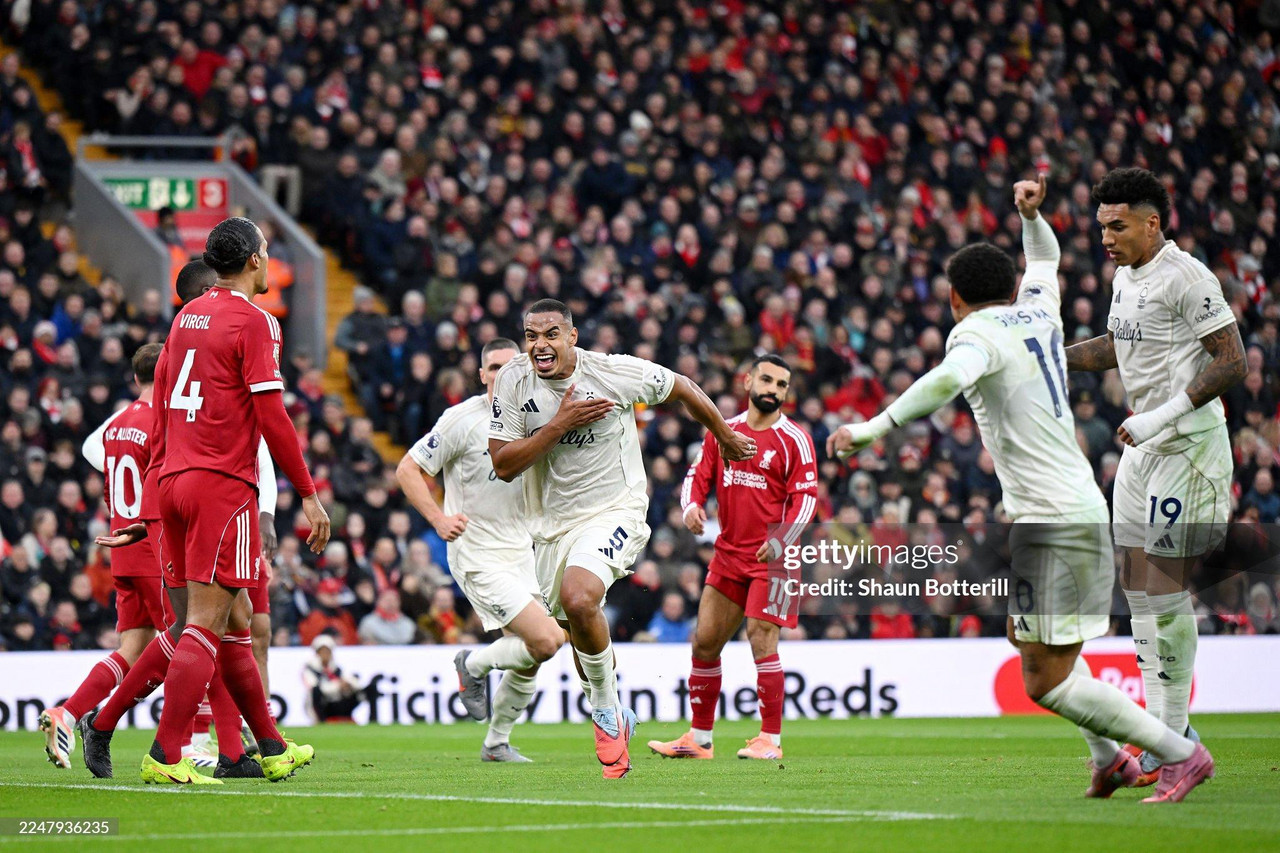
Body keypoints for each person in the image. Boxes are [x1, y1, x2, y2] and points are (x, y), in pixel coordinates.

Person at [830, 177, 1214, 804]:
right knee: (1030, 645)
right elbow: (1046, 258)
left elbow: (949, 379)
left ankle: (1182, 754)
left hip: (1058, 518)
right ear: (1008, 290)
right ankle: (1111, 759)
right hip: (1061, 510)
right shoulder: (1037, 307)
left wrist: (873, 428)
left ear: (953, 298)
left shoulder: (973, 334)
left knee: (1043, 679)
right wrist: (1030, 217)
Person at [93, 219, 330, 785]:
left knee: (232, 620)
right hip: (220, 486)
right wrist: (309, 496)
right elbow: (272, 417)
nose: (269, 262)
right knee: (202, 623)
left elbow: (162, 416)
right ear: (252, 259)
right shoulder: (256, 322)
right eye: (267, 253)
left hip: (172, 483)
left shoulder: (183, 319)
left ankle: (267, 746)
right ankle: (165, 754)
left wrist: (147, 507)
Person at [488, 298, 756, 779]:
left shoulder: (612, 373)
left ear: (572, 336)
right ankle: (610, 705)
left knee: (579, 595)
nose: (539, 345)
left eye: (551, 333)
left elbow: (683, 387)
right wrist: (559, 424)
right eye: (531, 336)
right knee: (574, 618)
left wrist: (724, 436)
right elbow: (504, 465)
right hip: (550, 527)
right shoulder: (512, 381)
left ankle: (606, 716)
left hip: (617, 508)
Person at [1066, 168, 1245, 786]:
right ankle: (1173, 733)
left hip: (1186, 448)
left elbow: (1233, 358)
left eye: (1118, 226)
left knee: (1163, 591)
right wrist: (1043, 359)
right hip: (1142, 449)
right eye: (1102, 226)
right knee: (1140, 592)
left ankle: (1172, 742)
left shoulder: (1187, 275)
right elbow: (1117, 346)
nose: (1107, 238)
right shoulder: (1125, 278)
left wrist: (1161, 416)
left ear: (1152, 222)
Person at [76, 260, 279, 779]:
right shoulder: (209, 340)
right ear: (208, 294)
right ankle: (125, 728)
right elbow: (175, 440)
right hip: (198, 501)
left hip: (186, 500)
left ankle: (247, 749)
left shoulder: (183, 347)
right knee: (200, 628)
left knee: (230, 626)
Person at [397, 337, 563, 763]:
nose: (501, 375)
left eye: (510, 367)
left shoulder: (537, 416)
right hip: (476, 552)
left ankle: (496, 743)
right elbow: (408, 468)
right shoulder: (462, 420)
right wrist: (437, 519)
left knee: (529, 656)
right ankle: (472, 665)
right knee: (547, 640)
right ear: (482, 375)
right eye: (493, 368)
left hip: (523, 550)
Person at [648, 355, 817, 761]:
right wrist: (690, 507)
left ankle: (770, 740)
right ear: (747, 381)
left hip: (773, 558)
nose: (773, 389)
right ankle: (700, 739)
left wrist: (781, 539)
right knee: (704, 642)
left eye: (781, 384)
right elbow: (697, 476)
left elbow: (806, 500)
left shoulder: (794, 439)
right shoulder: (724, 431)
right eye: (766, 379)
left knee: (761, 638)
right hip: (728, 555)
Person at [38, 344, 167, 769]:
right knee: (187, 644)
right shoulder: (162, 421)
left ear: (134, 379)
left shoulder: (115, 427)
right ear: (166, 373)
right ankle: (192, 740)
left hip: (120, 547)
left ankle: (70, 712)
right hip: (151, 546)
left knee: (131, 648)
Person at [303, 634, 366, 722]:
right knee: (316, 692)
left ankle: (346, 717)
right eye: (322, 651)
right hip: (322, 704)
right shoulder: (310, 669)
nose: (325, 655)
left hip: (336, 700)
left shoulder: (335, 668)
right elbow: (315, 687)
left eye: (328, 651)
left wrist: (347, 684)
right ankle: (321, 720)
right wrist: (337, 685)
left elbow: (351, 680)